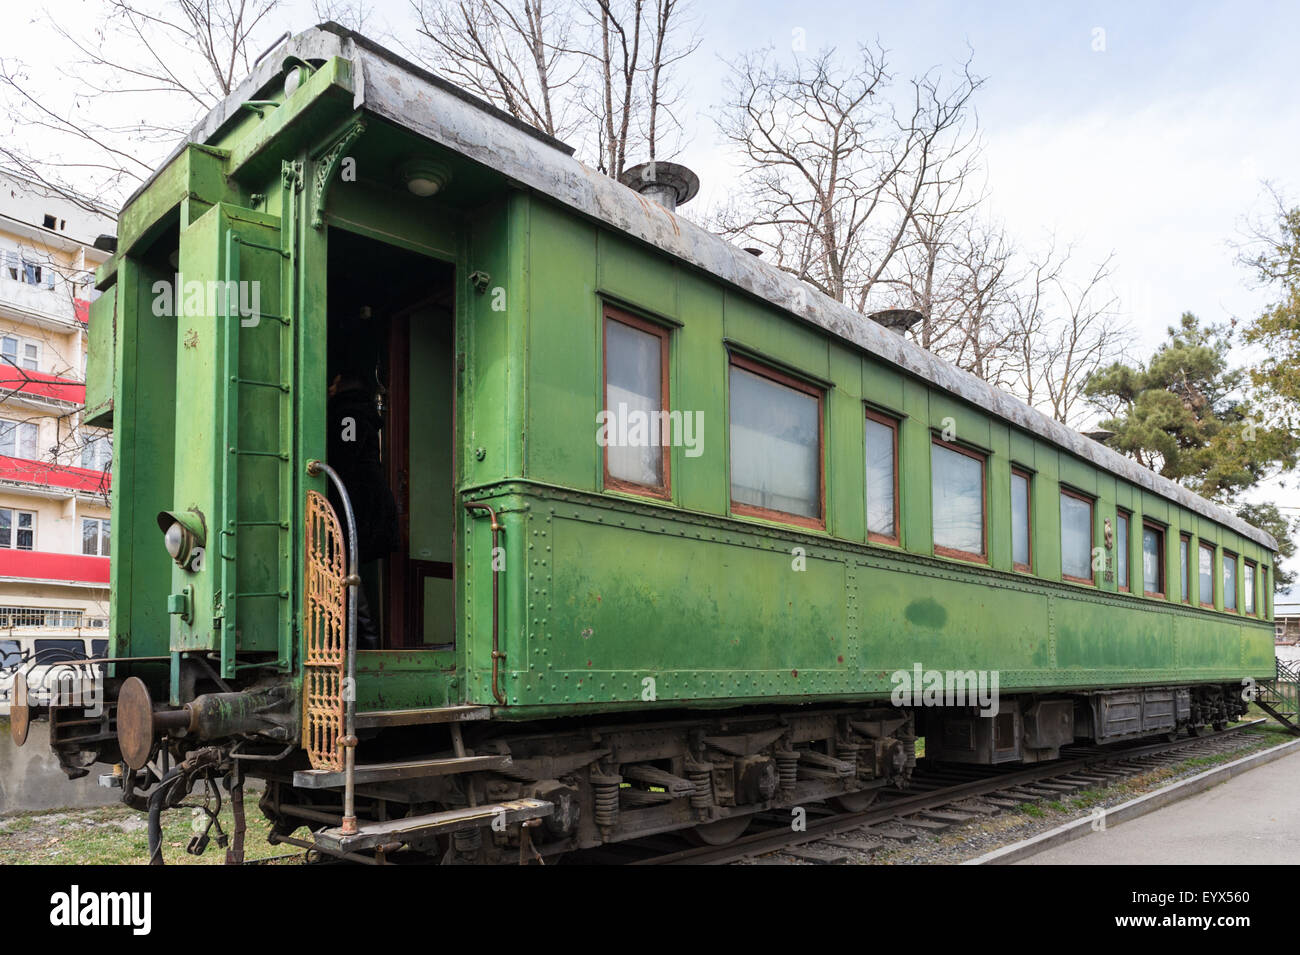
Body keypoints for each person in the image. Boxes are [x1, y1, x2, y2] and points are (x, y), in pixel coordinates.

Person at [327, 366, 400, 650]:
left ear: (341, 381)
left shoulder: (348, 413)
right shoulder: (360, 411)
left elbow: (347, 455)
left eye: (333, 381)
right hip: (365, 502)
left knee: (344, 567)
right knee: (347, 568)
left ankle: (365, 644)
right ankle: (364, 642)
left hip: (353, 502)